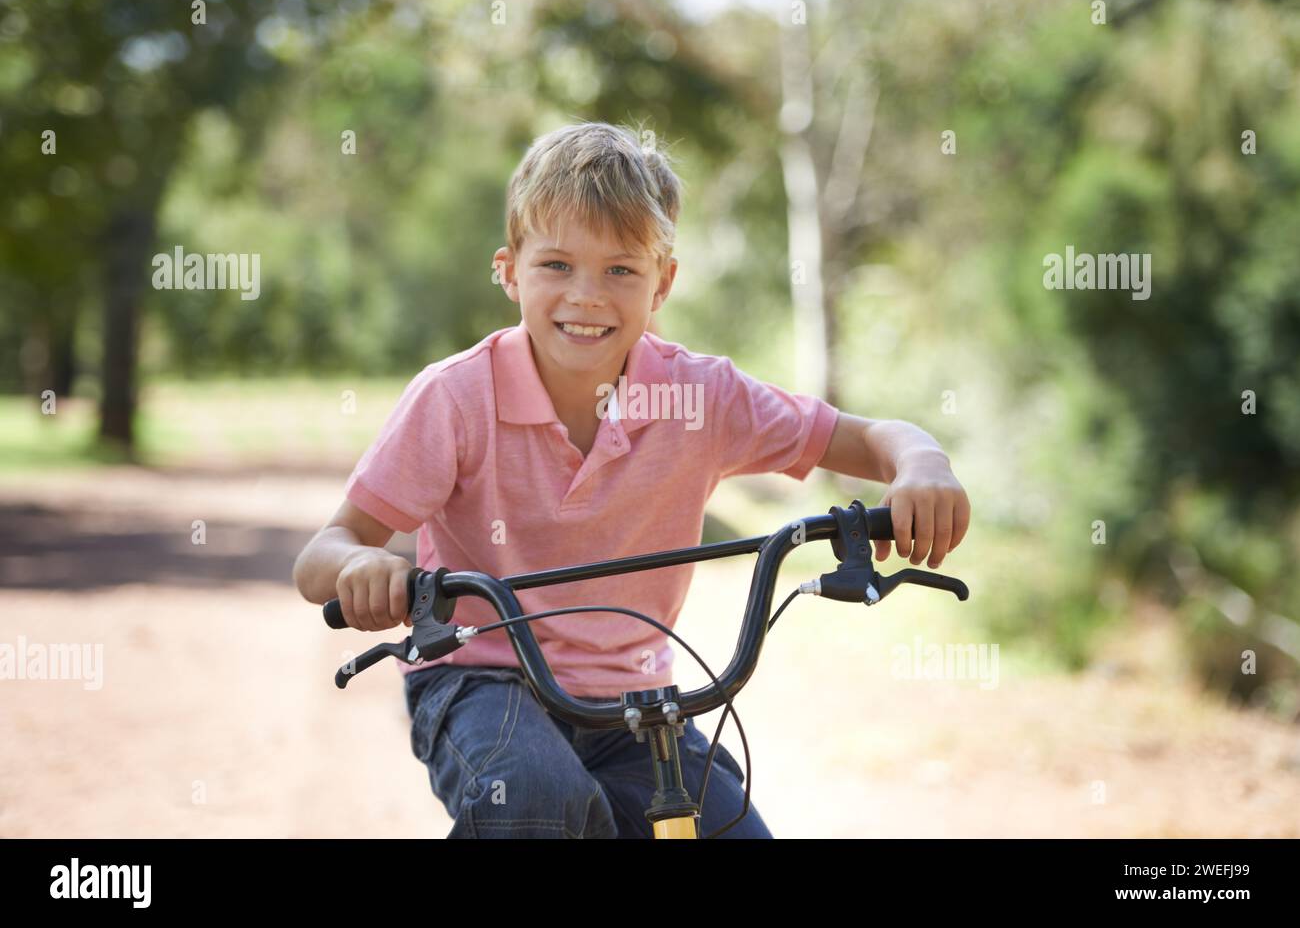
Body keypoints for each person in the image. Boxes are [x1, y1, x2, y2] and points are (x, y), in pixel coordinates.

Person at [293, 121, 971, 838]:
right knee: (536, 795)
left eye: (621, 269)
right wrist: (363, 565)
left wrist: (923, 462)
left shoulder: (700, 397)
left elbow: (866, 438)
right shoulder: (456, 399)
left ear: (663, 283)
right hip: (479, 680)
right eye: (556, 264)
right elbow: (322, 556)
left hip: (636, 705)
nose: (587, 296)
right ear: (509, 271)